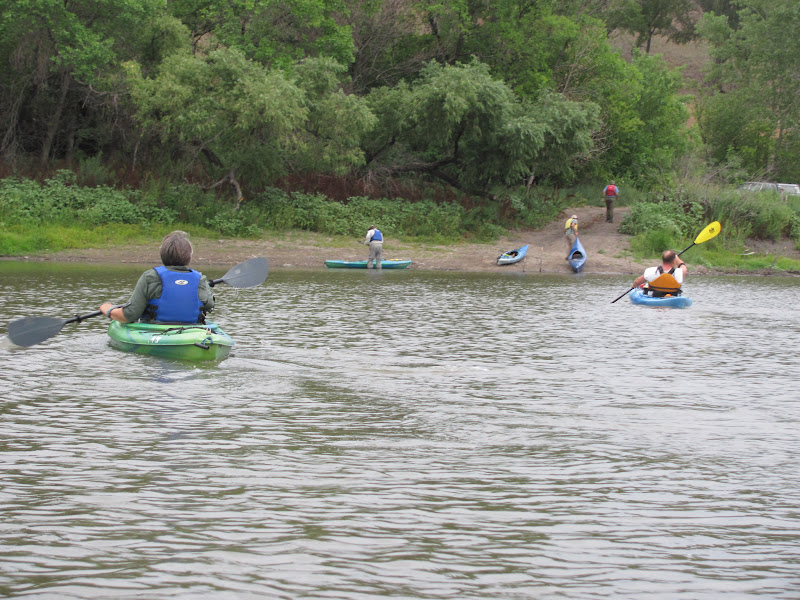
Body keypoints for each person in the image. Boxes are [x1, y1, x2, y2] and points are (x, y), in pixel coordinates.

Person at [100, 231, 214, 323]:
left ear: (162, 255)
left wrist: (108, 310)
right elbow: (209, 305)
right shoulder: (200, 279)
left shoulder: (150, 277)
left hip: (156, 330)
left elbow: (130, 314)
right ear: (189, 257)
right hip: (192, 332)